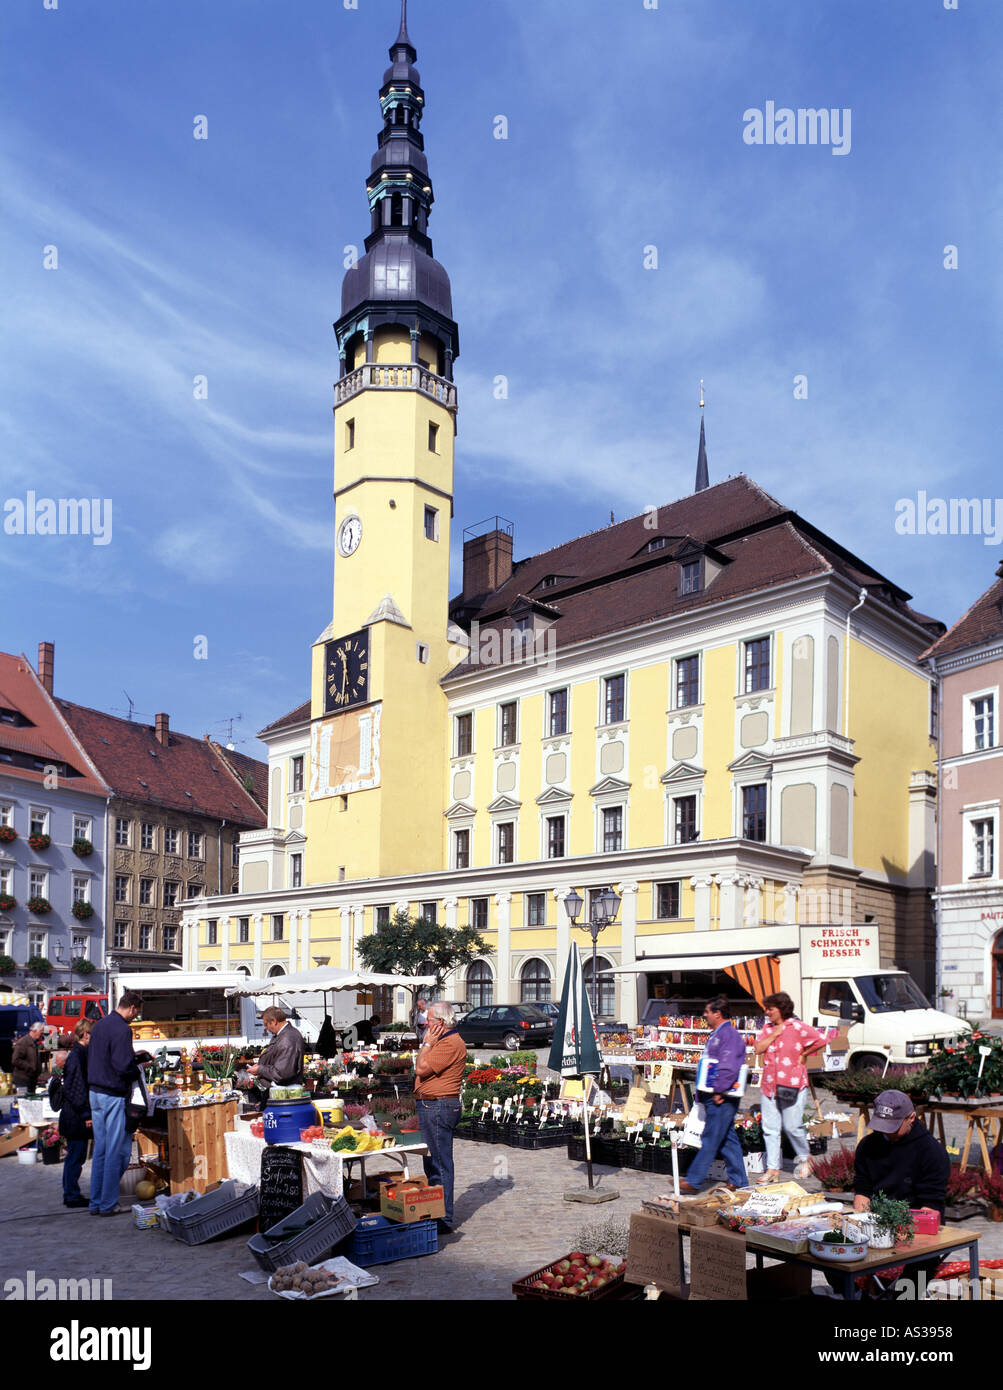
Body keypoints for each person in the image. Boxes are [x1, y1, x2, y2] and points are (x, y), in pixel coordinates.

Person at [851, 1089, 950, 1299]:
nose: (886, 1133)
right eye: (881, 1126)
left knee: (919, 1269)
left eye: (892, 1127)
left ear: (911, 1118)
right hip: (876, 1224)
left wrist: (897, 1234)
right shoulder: (868, 1146)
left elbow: (930, 1208)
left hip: (919, 1227)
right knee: (830, 1251)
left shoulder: (931, 1152)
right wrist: (862, 1225)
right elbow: (862, 1193)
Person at [753, 991, 827, 1183]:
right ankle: (772, 1169)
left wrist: (805, 1054)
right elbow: (758, 1048)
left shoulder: (797, 1027)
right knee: (770, 1128)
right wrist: (775, 1034)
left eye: (770, 1009)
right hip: (769, 1085)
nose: (767, 1012)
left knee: (792, 1126)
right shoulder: (768, 1029)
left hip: (793, 1083)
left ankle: (806, 1158)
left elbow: (822, 1040)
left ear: (781, 1009)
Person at [678, 996, 749, 1192]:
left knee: (711, 1137)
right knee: (727, 1138)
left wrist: (719, 1090)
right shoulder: (719, 1034)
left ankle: (694, 1180)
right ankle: (739, 1180)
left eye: (707, 1011)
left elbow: (728, 1067)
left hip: (721, 1096)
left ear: (718, 1013)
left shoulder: (729, 1036)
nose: (704, 1015)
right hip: (716, 1094)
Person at [87, 990, 143, 1216]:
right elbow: (122, 1066)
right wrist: (137, 1068)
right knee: (115, 1151)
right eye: (136, 1013)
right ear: (131, 1008)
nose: (135, 1017)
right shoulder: (122, 1029)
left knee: (100, 1150)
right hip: (111, 1093)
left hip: (95, 1092)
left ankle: (96, 1202)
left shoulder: (100, 1025)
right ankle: (108, 1204)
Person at [414, 1001, 466, 1234]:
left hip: (439, 1105)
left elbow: (421, 1069)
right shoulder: (444, 1041)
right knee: (432, 1161)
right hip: (432, 1105)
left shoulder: (450, 1043)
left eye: (430, 1019)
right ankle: (437, 1211)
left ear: (441, 1023)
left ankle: (443, 1218)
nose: (426, 1023)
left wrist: (427, 1043)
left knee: (440, 1163)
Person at [59, 1019, 94, 1209]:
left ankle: (71, 1193)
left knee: (75, 1156)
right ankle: (71, 1194)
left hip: (74, 1113)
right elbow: (76, 1089)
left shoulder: (78, 1054)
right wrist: (85, 1114)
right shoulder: (78, 1056)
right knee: (75, 1156)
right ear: (86, 1034)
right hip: (75, 1115)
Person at [246, 1007, 305, 1089]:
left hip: (283, 1092)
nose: (266, 1028)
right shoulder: (281, 1035)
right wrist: (261, 1065)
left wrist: (260, 1069)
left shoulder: (288, 1039)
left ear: (274, 1021)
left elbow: (281, 1073)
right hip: (277, 1089)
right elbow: (275, 1058)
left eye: (266, 1024)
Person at [12, 1022, 45, 1093]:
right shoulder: (23, 1042)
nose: (42, 1035)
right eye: (41, 1033)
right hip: (23, 1078)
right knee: (24, 1101)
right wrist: (30, 1067)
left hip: (32, 1078)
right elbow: (15, 1060)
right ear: (35, 1031)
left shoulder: (33, 1042)